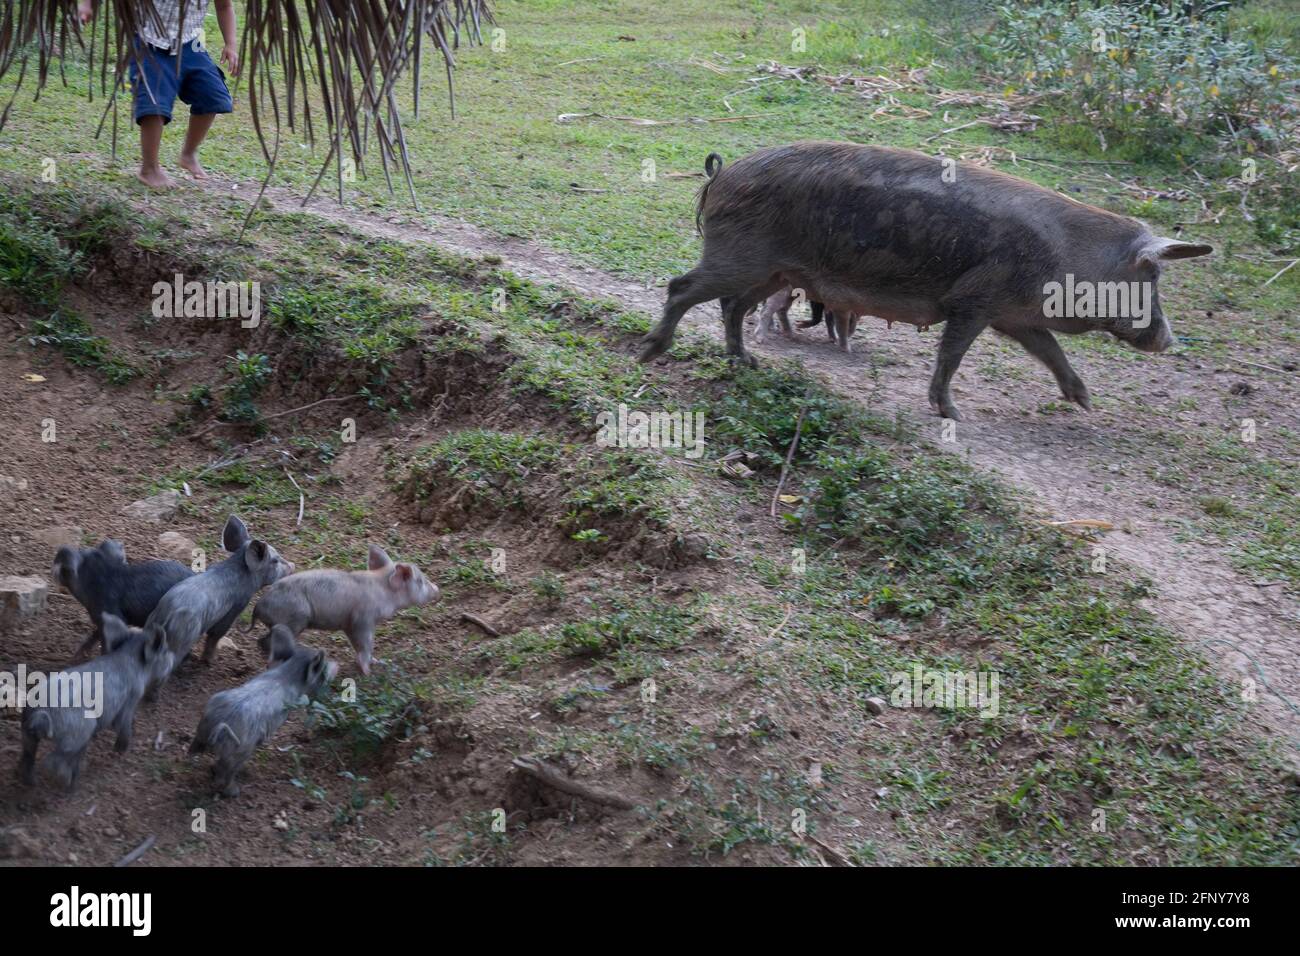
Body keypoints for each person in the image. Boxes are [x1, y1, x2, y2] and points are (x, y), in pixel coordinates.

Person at [78, 1, 241, 188]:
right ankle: (149, 169)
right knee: (153, 104)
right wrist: (87, 5)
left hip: (190, 42)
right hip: (149, 42)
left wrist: (230, 43)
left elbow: (224, 6)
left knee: (213, 95)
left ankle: (188, 154)